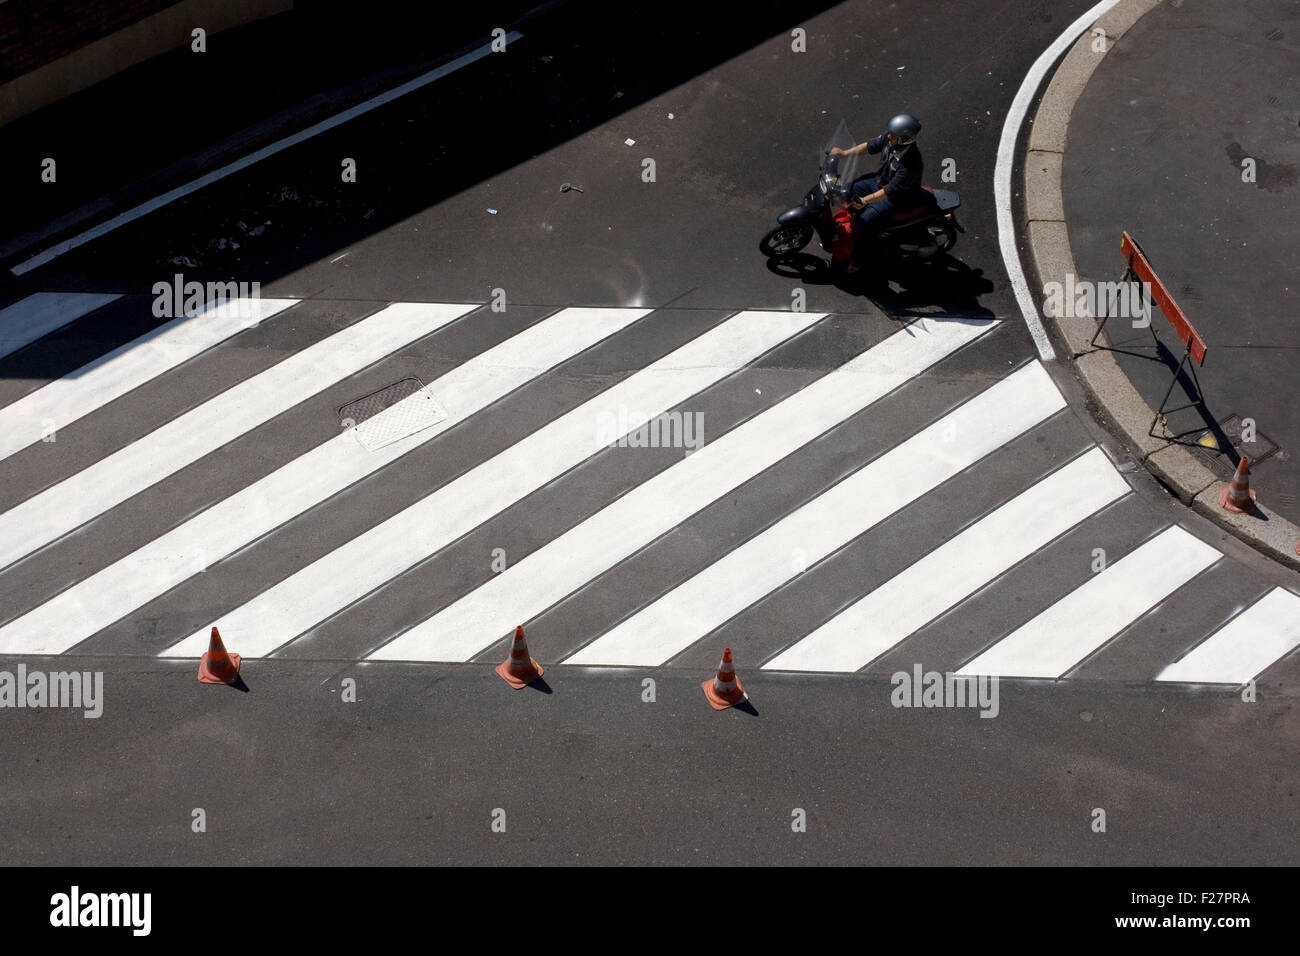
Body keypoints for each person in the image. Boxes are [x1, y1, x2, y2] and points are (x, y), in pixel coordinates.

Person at [830, 113, 925, 273]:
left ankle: (859, 258)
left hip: (894, 198)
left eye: (893, 135)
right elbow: (869, 146)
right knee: (847, 189)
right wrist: (845, 153)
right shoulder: (890, 141)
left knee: (863, 224)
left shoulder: (911, 164)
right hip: (878, 182)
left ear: (904, 139)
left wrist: (864, 200)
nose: (889, 136)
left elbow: (890, 190)